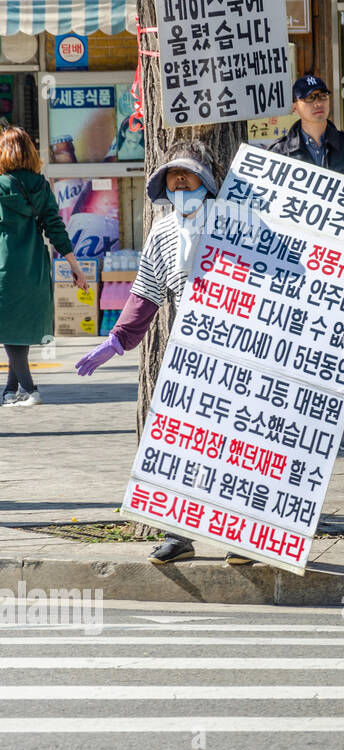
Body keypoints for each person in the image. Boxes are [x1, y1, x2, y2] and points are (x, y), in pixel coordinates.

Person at [73, 140, 254, 566]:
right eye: (172, 175)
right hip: (185, 355)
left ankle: (240, 536)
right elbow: (146, 294)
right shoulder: (162, 232)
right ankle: (178, 534)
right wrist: (115, 341)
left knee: (232, 445)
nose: (178, 181)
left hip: (237, 351)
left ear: (206, 181)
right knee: (181, 447)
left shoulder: (237, 222)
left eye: (186, 174)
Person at [268, 73, 344, 452]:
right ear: (295, 106)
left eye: (322, 95)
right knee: (301, 345)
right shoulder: (278, 153)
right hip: (299, 266)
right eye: (308, 98)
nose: (317, 102)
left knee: (342, 345)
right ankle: (304, 427)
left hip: (343, 263)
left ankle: (342, 428)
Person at [0, 126, 88, 407]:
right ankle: (11, 390)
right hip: (35, 266)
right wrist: (75, 265)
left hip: (5, 265)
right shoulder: (41, 185)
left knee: (9, 328)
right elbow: (55, 227)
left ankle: (30, 389)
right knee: (18, 327)